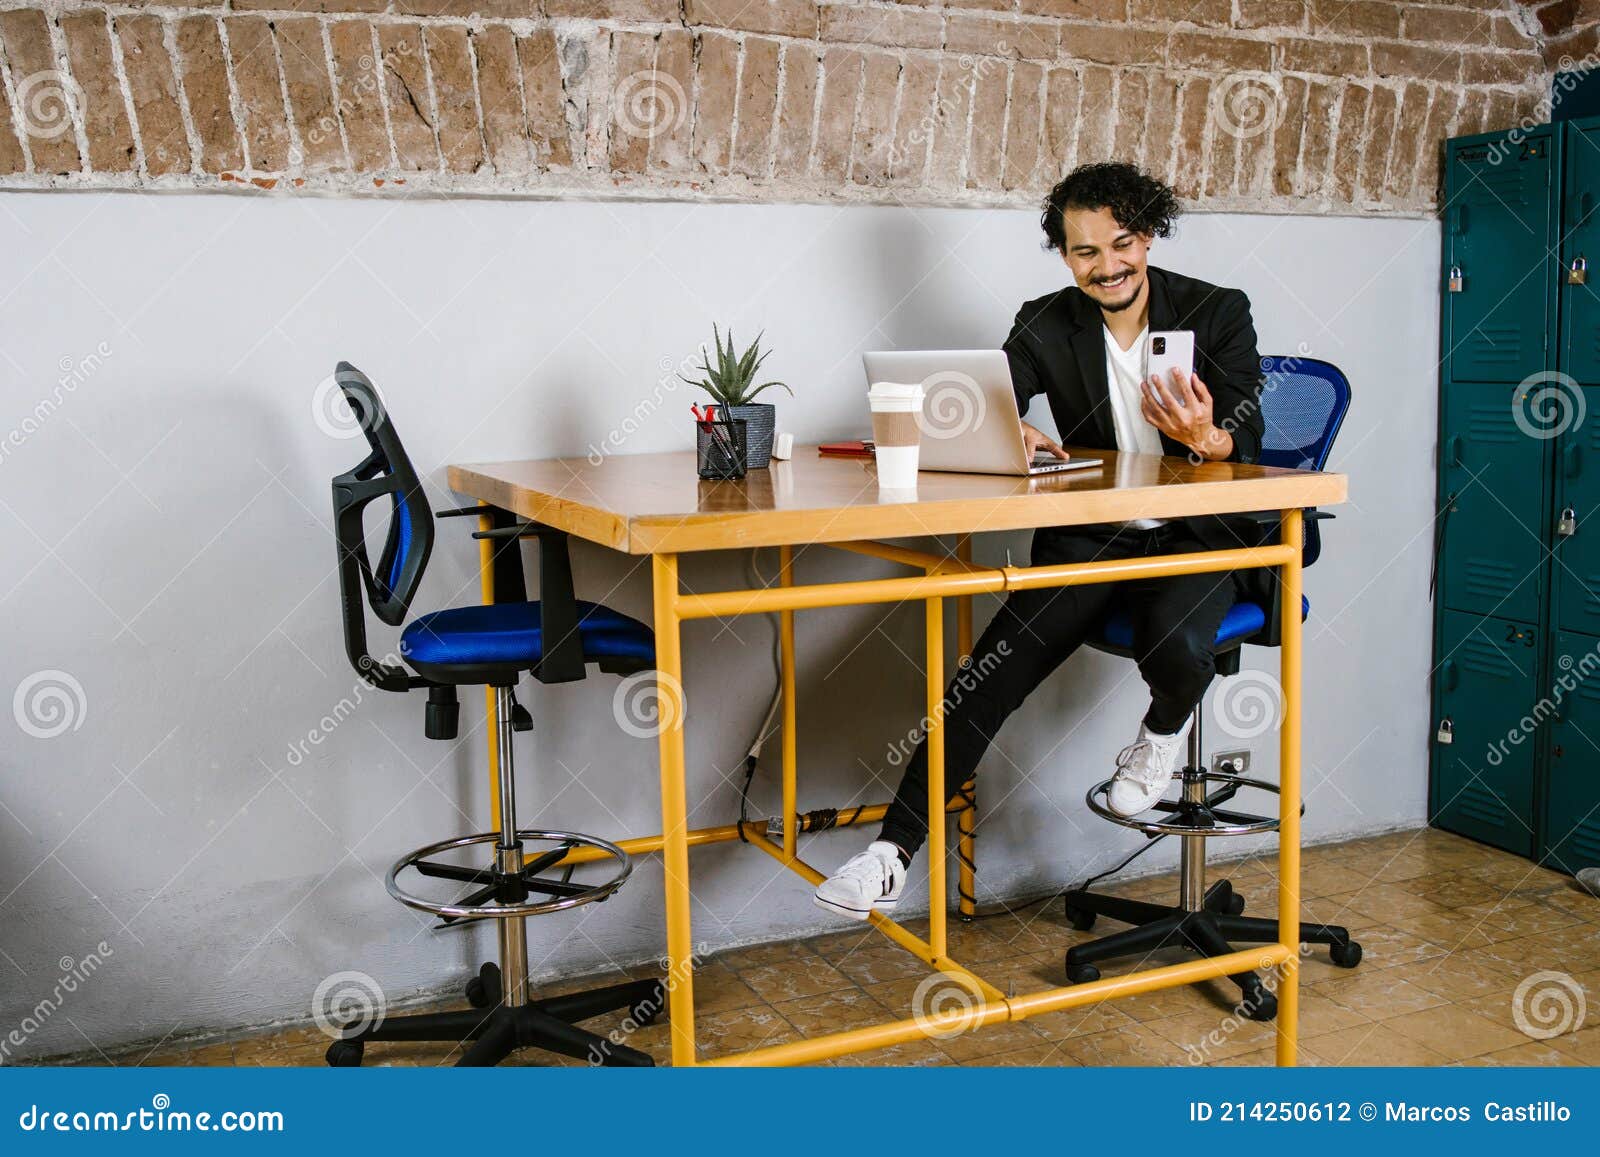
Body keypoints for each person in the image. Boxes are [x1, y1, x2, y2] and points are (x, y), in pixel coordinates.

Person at [815, 162, 1268, 920]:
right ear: (1064, 255)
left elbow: (1249, 429)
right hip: (1091, 538)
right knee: (984, 679)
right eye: (1085, 252)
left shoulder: (1218, 309)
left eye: (1120, 244)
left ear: (1147, 237)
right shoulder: (1044, 320)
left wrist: (1210, 436)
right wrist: (1008, 429)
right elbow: (988, 401)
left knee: (1174, 636)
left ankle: (1161, 732)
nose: (1107, 266)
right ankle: (890, 854)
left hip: (1199, 536)